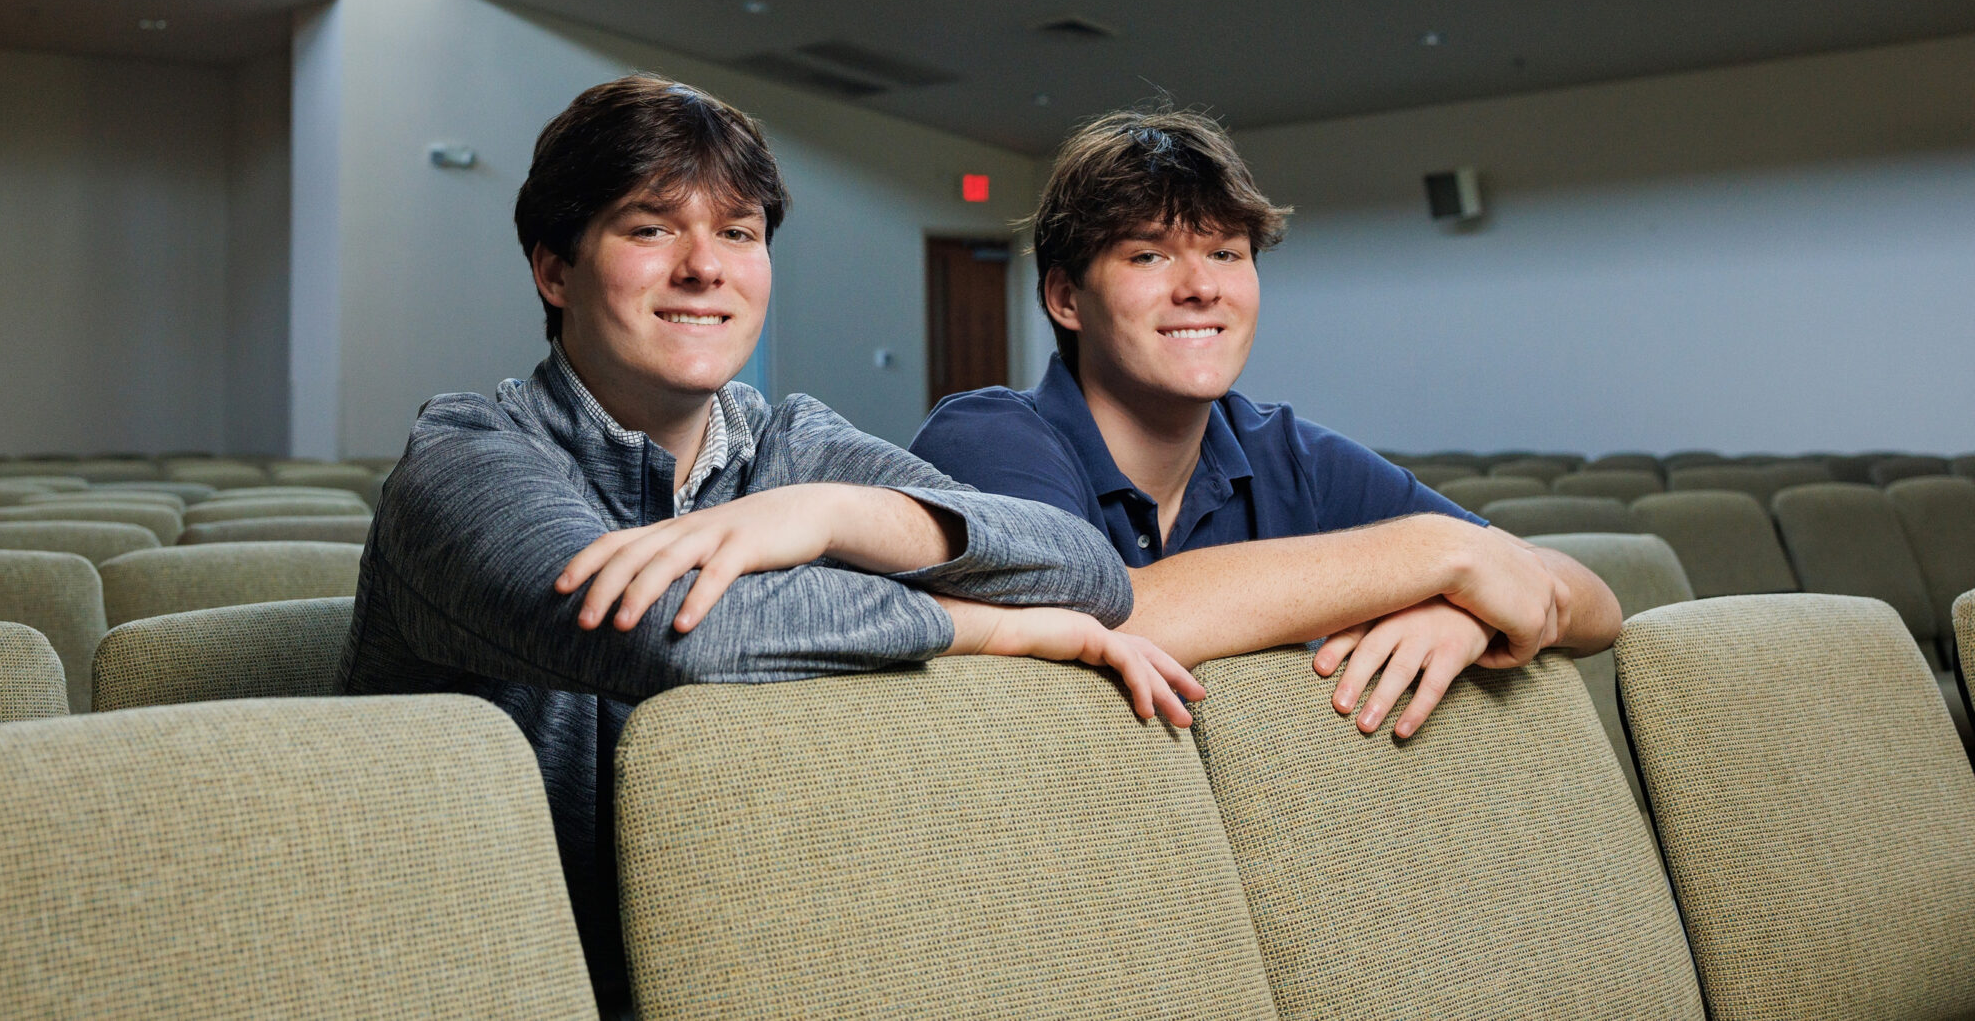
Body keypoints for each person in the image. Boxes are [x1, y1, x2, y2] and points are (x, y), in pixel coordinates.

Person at [340, 76, 1188, 1016]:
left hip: (745, 967)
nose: (707, 266)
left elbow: (1089, 569)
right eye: (652, 227)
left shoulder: (790, 444)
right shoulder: (462, 459)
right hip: (488, 981)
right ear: (554, 269)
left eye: (739, 232)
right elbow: (670, 633)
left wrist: (830, 514)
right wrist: (993, 628)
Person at [911, 105, 1622, 746]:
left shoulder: (1287, 451)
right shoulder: (984, 437)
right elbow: (1109, 618)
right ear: (1067, 297)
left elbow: (1595, 605)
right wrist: (1439, 554)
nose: (1202, 285)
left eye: (1226, 252)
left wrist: (1469, 617)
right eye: (1149, 253)